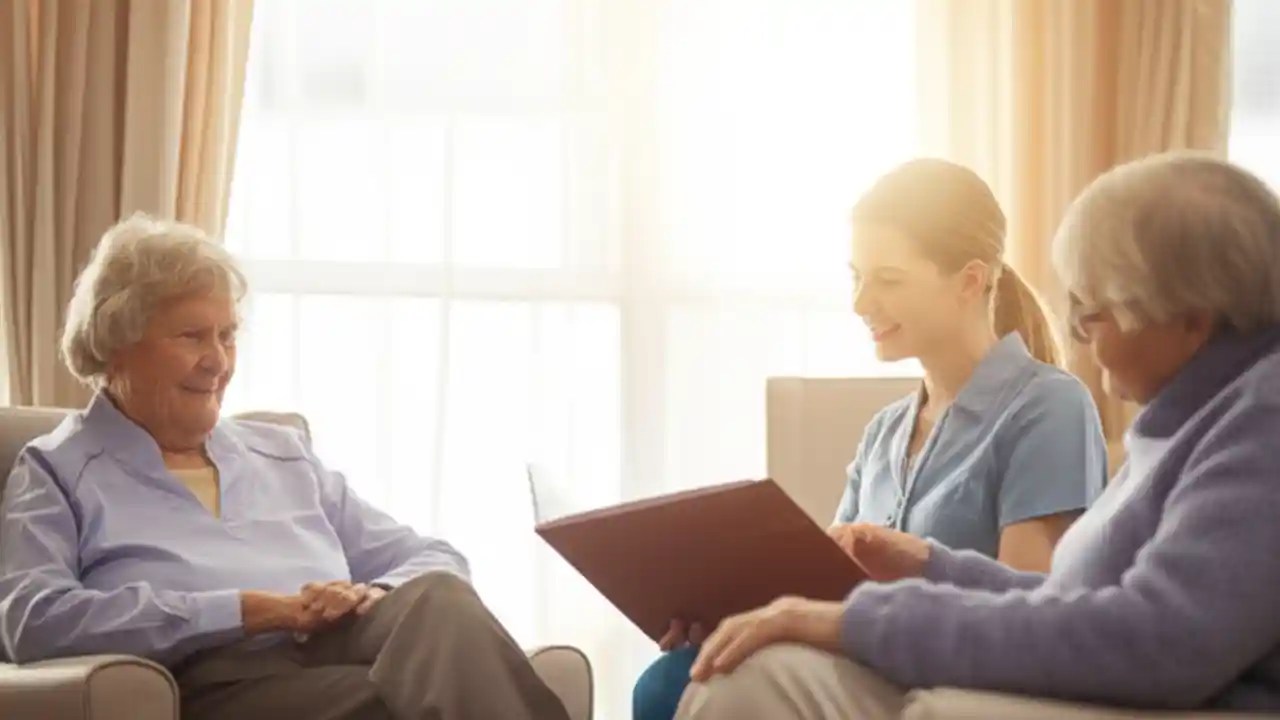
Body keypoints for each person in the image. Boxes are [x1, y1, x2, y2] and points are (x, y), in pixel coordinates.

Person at [671, 152, 1280, 718]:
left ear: (1192, 321)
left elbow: (1157, 639)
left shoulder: (1261, 423)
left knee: (756, 682)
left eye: (1093, 313)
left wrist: (860, 619)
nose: (1078, 336)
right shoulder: (1197, 423)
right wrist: (931, 565)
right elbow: (1071, 602)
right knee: (734, 672)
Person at [0, 214, 570, 720]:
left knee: (437, 595)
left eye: (228, 335)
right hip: (221, 680)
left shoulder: (281, 455)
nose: (218, 361)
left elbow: (435, 557)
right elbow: (33, 620)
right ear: (117, 342)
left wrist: (366, 593)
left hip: (344, 650)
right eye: (192, 336)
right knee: (397, 703)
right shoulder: (58, 469)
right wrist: (245, 611)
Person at [633, 158, 1108, 720]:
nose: (860, 302)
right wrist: (737, 612)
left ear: (970, 281)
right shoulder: (884, 433)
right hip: (862, 665)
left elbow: (1031, 609)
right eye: (856, 276)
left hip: (956, 687)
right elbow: (827, 586)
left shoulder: (1048, 407)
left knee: (690, 688)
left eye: (888, 280)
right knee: (672, 676)